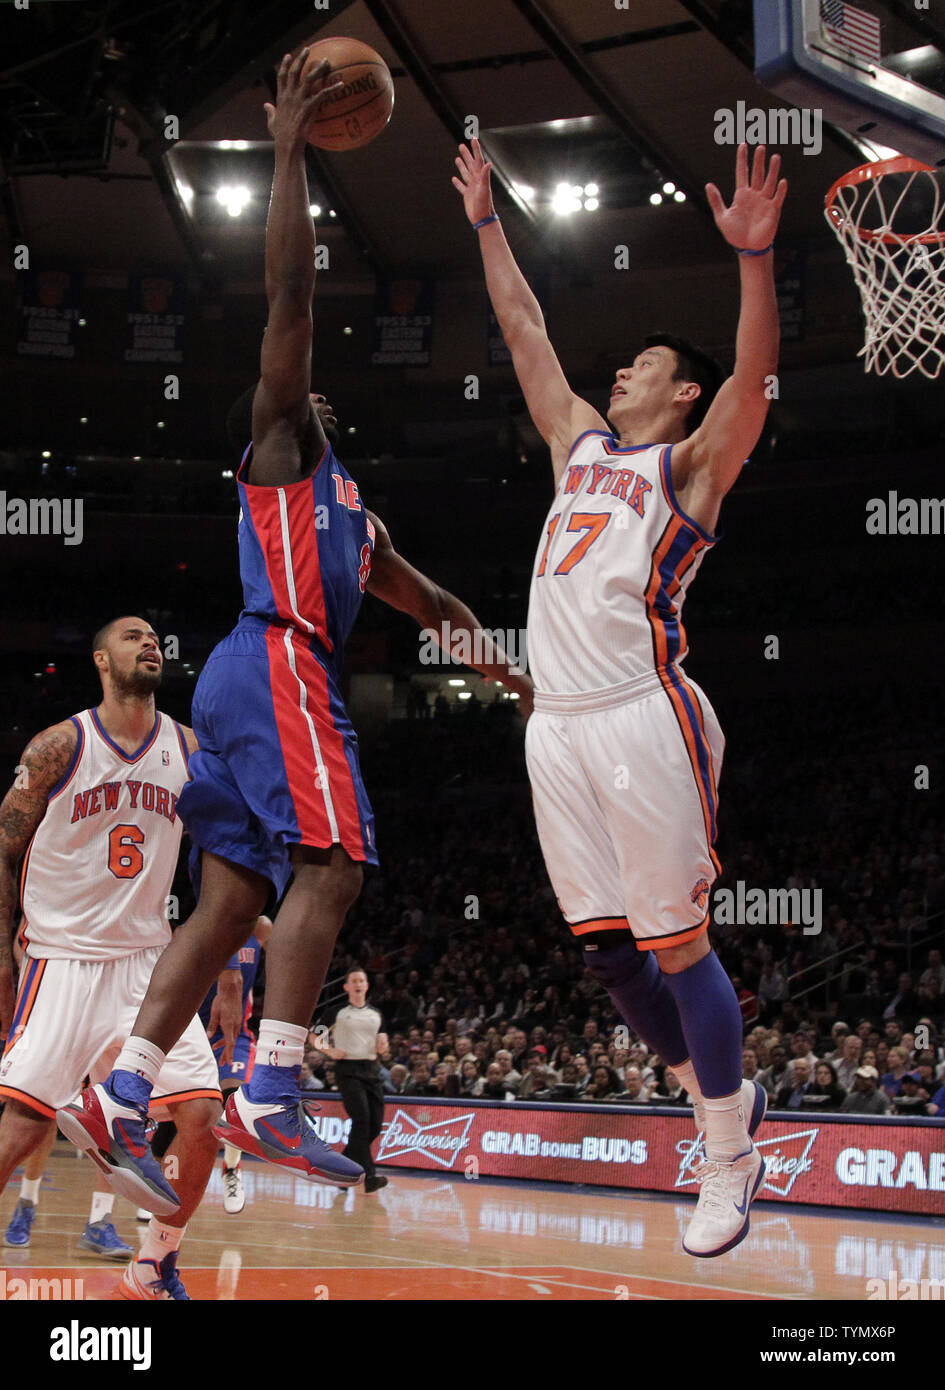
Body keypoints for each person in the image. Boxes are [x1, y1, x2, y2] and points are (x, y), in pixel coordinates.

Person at [61, 51, 531, 1215]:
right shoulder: (279, 453)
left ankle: (122, 1086)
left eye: (318, 401)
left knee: (228, 903)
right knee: (336, 860)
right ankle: (273, 1085)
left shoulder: (352, 518)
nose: (316, 395)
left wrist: (508, 670)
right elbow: (290, 301)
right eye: (300, 392)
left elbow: (437, 606)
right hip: (273, 661)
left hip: (242, 678)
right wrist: (284, 154)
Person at [453, 136, 787, 1257]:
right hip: (553, 724)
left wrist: (752, 260)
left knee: (682, 948)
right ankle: (724, 1104)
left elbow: (752, 383)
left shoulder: (688, 467)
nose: (619, 376)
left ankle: (730, 1155)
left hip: (645, 711)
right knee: (608, 953)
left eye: (641, 366)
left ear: (679, 388)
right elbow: (526, 335)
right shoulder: (577, 447)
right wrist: (489, 225)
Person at [0, 619, 225, 1300]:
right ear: (102, 660)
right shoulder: (60, 745)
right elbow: (5, 850)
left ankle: (154, 1264)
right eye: (132, 637)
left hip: (148, 963)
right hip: (63, 957)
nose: (149, 643)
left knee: (203, 1118)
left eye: (155, 636)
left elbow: (218, 846)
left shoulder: (187, 748)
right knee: (22, 1126)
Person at [198, 914, 272, 1215]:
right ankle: (164, 1179)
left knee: (235, 1099)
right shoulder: (198, 925)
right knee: (183, 1114)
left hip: (238, 1033)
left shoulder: (261, 927)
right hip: (196, 1030)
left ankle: (231, 1168)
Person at [314, 967, 389, 1193]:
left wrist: (383, 1046)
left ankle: (339, 1170)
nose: (358, 983)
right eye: (353, 980)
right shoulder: (336, 1012)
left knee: (374, 1125)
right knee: (362, 1120)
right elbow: (314, 1035)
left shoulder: (376, 1014)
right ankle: (370, 1177)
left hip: (371, 1069)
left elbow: (382, 1039)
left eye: (361, 980)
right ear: (346, 987)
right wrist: (329, 1051)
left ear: (366, 986)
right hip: (348, 1069)